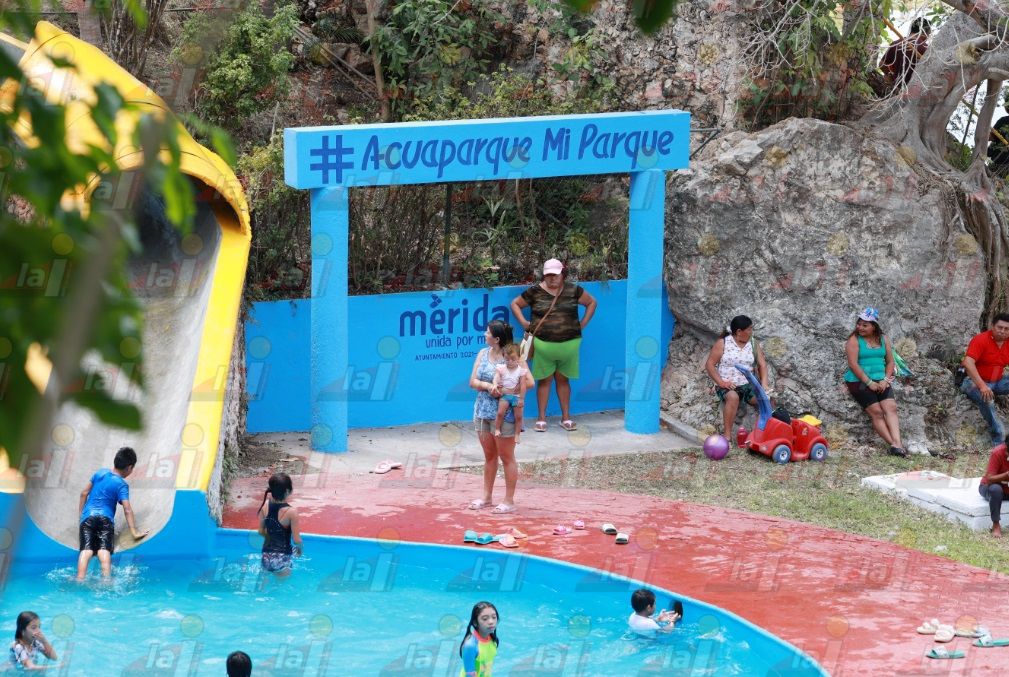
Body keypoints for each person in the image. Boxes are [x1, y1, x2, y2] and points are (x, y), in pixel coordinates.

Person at [510, 258, 597, 433]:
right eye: (548, 275)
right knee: (544, 380)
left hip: (569, 345)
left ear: (562, 274)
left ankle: (566, 417)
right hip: (543, 345)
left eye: (555, 275)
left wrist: (583, 324)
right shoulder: (534, 292)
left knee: (564, 380)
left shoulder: (573, 290)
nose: (552, 278)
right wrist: (524, 322)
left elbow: (591, 302)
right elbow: (515, 304)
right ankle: (541, 418)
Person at [468, 320, 533, 514]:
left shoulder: (512, 356)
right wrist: (489, 387)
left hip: (506, 414)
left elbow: (529, 382)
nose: (484, 334)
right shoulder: (482, 353)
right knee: (489, 456)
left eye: (487, 333)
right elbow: (472, 381)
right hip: (482, 411)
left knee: (506, 456)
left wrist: (505, 389)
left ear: (496, 339)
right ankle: (487, 497)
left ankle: (509, 500)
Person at [76, 446, 149, 580]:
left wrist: (82, 515)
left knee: (86, 550)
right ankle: (106, 580)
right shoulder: (121, 485)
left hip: (88, 517)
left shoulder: (100, 473)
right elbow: (127, 509)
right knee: (104, 550)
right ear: (129, 468)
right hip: (105, 519)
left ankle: (79, 579)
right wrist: (134, 531)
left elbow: (83, 493)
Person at [843, 307, 906, 457]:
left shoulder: (883, 339)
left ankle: (897, 444)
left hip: (881, 379)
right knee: (877, 412)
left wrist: (885, 380)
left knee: (891, 407)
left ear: (874, 326)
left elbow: (890, 362)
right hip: (859, 381)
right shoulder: (853, 340)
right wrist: (869, 382)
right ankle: (895, 446)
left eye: (865, 325)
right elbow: (853, 364)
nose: (860, 327)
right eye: (859, 324)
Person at [704, 315, 768, 440]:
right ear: (739, 331)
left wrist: (764, 385)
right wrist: (721, 383)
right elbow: (710, 365)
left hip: (747, 385)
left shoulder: (753, 344)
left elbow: (762, 365)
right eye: (749, 329)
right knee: (733, 397)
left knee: (766, 398)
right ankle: (727, 436)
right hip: (728, 386)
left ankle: (763, 433)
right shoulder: (723, 343)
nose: (751, 332)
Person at [961, 313, 1009, 445]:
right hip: (973, 382)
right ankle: (1000, 441)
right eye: (1000, 327)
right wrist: (982, 386)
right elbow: (968, 363)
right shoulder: (981, 339)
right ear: (992, 326)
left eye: (1007, 329)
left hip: (998, 382)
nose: (1003, 331)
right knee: (987, 399)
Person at [258, 472, 303, 576]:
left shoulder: (264, 506)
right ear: (287, 491)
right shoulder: (292, 512)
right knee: (281, 589)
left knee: (264, 588)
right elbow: (297, 540)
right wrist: (301, 549)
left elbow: (261, 531)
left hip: (266, 556)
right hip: (283, 558)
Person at [879, 17, 931, 89]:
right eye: (929, 34)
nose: (928, 37)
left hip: (896, 88)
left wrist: (890, 75)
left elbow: (881, 64)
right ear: (924, 33)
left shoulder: (896, 44)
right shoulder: (925, 48)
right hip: (915, 90)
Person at [492, 343, 528, 443]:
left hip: (516, 397)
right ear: (504, 357)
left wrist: (521, 398)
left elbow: (523, 385)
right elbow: (496, 377)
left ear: (519, 358)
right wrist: (495, 384)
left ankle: (517, 434)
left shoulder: (521, 371)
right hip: (505, 396)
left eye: (513, 359)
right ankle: (497, 429)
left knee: (519, 416)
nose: (510, 362)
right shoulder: (501, 368)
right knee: (500, 413)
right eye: (507, 359)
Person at [459, 602, 499, 677]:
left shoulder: (493, 639)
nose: (491, 622)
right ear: (475, 623)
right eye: (485, 619)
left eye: (494, 617)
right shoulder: (470, 646)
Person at [980, 439, 1009, 538]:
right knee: (996, 490)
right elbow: (989, 479)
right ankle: (996, 525)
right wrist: (1006, 474)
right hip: (989, 487)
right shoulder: (997, 453)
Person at [987, 104, 1009, 178]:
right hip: (995, 156)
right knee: (987, 173)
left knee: (998, 179)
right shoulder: (1003, 120)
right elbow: (991, 137)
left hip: (1006, 164)